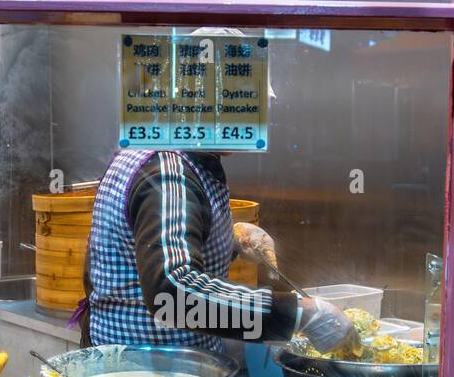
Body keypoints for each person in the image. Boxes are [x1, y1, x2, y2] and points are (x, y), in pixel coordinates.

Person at [79, 146, 353, 354]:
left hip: (148, 360)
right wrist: (299, 314)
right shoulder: (168, 173)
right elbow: (172, 294)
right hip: (147, 374)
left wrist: (228, 239)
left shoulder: (161, 151)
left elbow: (146, 239)